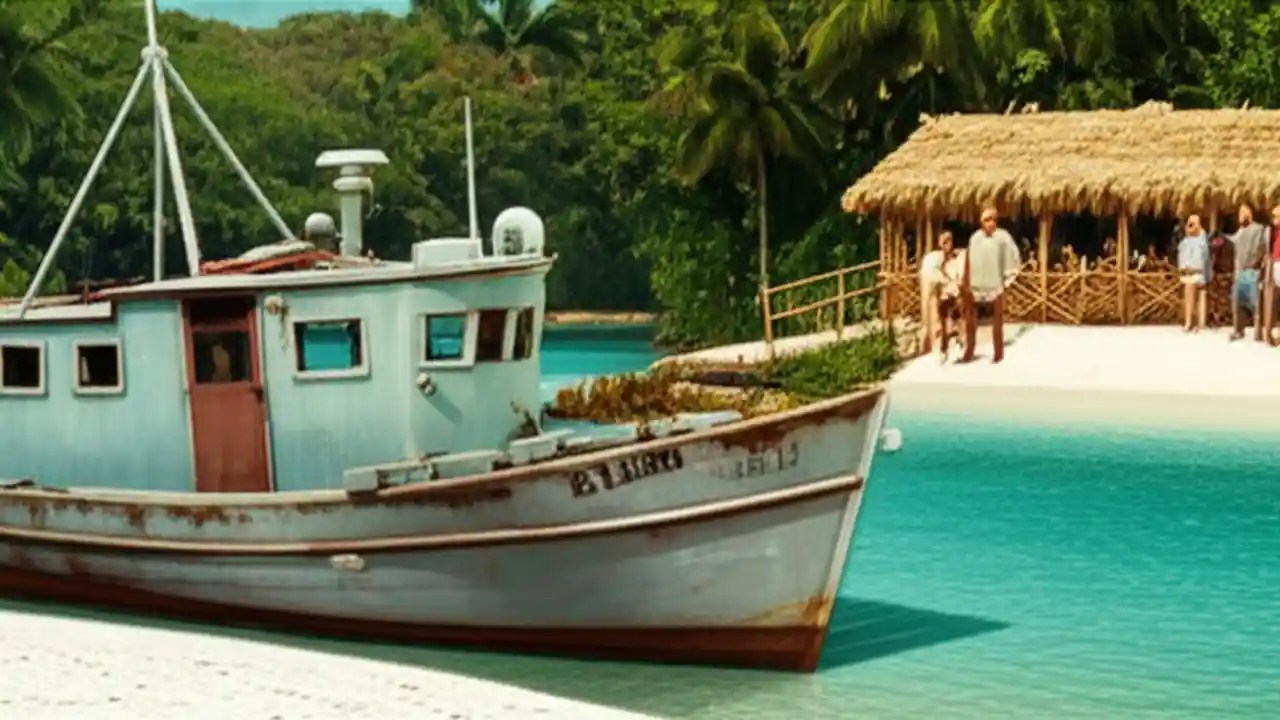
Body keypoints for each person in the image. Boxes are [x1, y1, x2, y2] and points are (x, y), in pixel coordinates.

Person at [962, 205, 1021, 363]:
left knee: (997, 320)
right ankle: (969, 350)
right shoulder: (975, 238)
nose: (991, 223)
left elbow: (1012, 257)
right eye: (987, 220)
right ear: (981, 221)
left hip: (995, 284)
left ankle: (998, 352)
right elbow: (968, 260)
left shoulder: (1003, 238)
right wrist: (966, 282)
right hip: (976, 284)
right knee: (970, 319)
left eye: (993, 219)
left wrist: (1007, 278)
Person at [1213, 203, 1269, 341]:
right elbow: (1232, 240)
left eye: (1244, 212)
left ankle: (1259, 331)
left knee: (1256, 303)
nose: (1241, 215)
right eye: (1240, 213)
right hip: (1239, 273)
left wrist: (1261, 263)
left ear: (1250, 214)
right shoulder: (1240, 231)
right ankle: (1238, 330)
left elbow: (1264, 247)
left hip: (1252, 272)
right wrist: (1220, 237)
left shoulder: (1259, 229)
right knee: (1237, 303)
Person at [1176, 214, 1211, 333]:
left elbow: (1204, 254)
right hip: (1187, 274)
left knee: (1190, 286)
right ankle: (1190, 321)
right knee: (1188, 285)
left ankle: (1189, 322)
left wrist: (1198, 228)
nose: (1191, 226)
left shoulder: (1202, 239)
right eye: (1190, 223)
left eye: (1194, 223)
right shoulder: (1185, 241)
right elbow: (1181, 255)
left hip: (1198, 273)